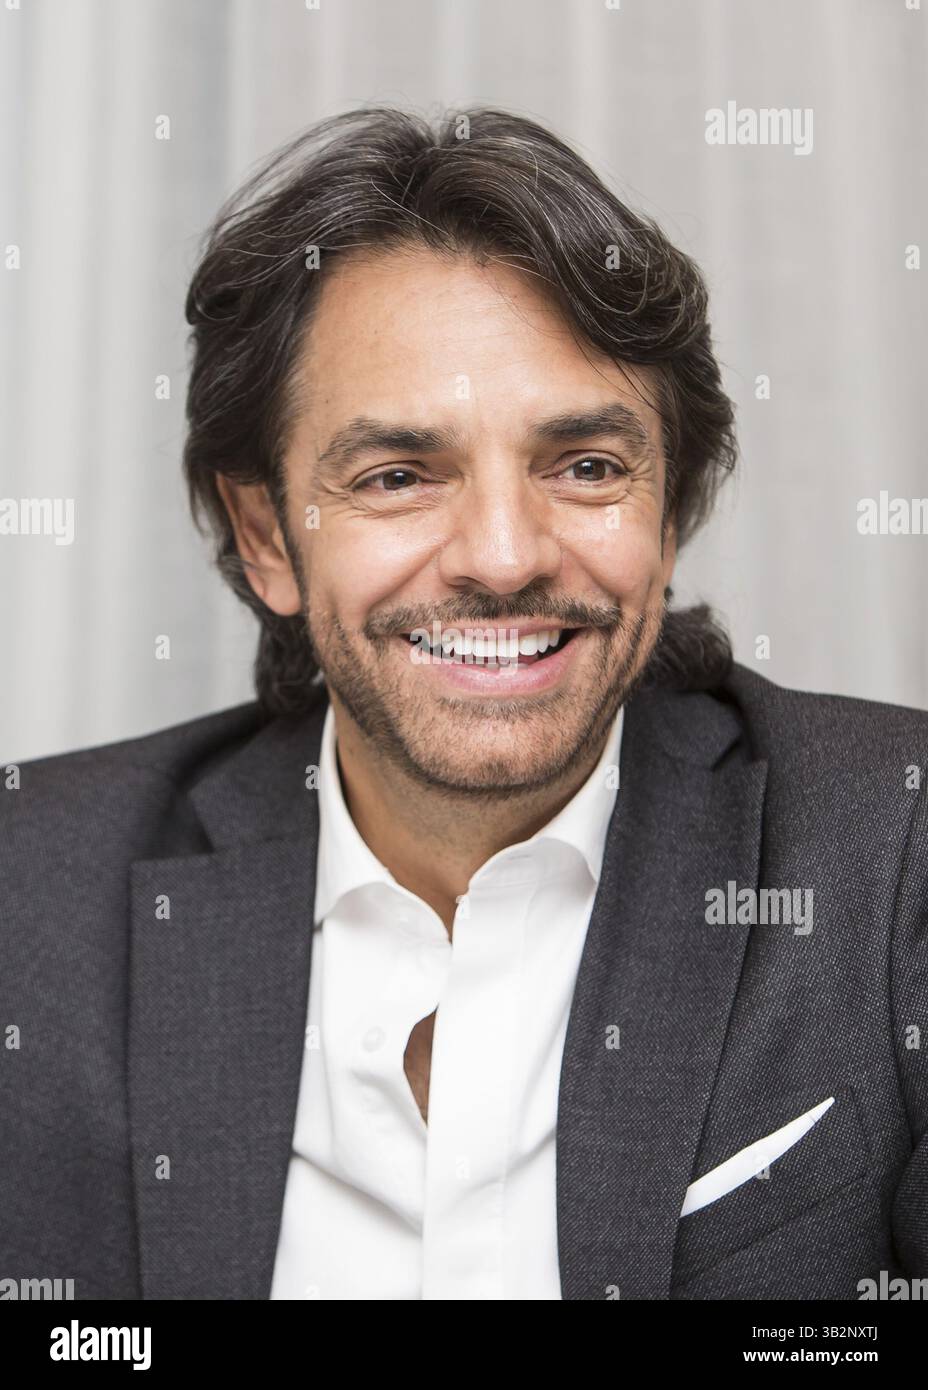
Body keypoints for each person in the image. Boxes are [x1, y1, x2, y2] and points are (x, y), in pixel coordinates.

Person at [2, 107, 925, 1300]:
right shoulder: (30, 895)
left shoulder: (893, 855)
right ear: (267, 534)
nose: (500, 554)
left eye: (586, 466)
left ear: (669, 510)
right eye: (397, 475)